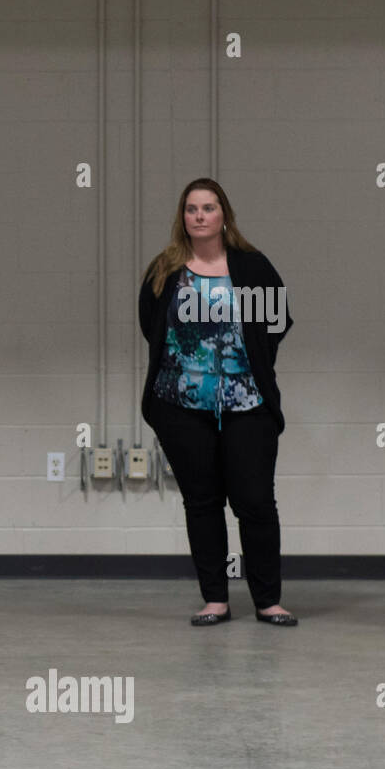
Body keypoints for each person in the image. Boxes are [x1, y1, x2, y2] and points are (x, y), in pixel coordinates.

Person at [138, 178, 296, 627]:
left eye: (209, 207)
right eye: (192, 209)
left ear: (224, 214)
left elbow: (279, 320)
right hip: (182, 406)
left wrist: (250, 361)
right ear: (182, 217)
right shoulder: (166, 269)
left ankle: (268, 601)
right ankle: (215, 600)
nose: (200, 216)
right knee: (202, 502)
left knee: (255, 502)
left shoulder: (251, 266)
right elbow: (151, 324)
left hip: (248, 404)